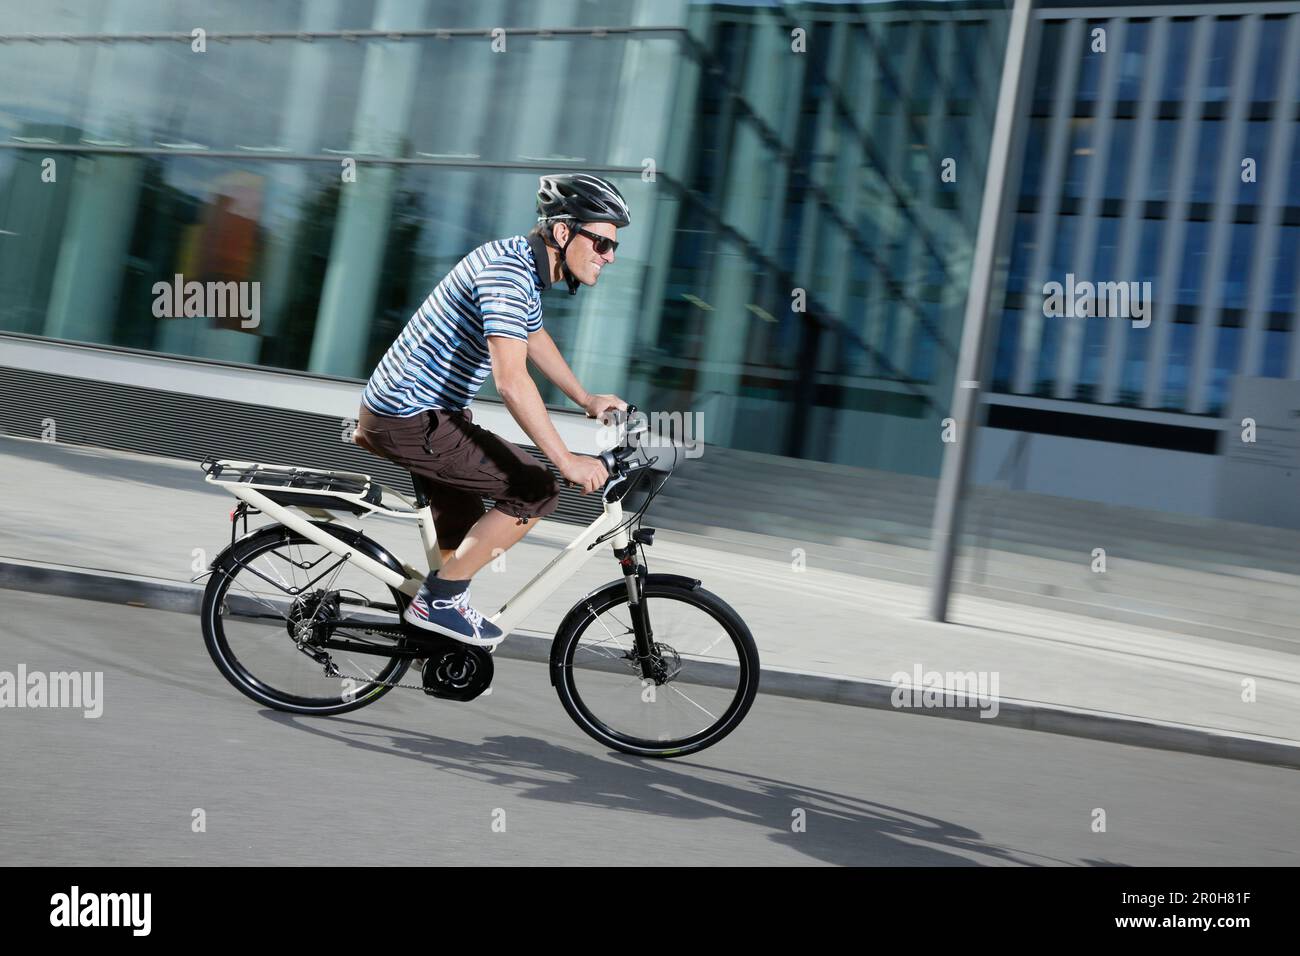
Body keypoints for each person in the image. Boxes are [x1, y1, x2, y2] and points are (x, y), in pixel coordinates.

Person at [352, 173, 630, 647]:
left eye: (613, 248)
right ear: (563, 232)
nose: (608, 256)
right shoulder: (507, 273)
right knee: (535, 488)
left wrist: (585, 398)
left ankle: (437, 619)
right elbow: (512, 381)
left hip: (425, 414)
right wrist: (565, 463)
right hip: (411, 415)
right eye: (601, 242)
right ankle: (438, 603)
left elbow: (535, 337)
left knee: (463, 528)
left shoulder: (519, 266)